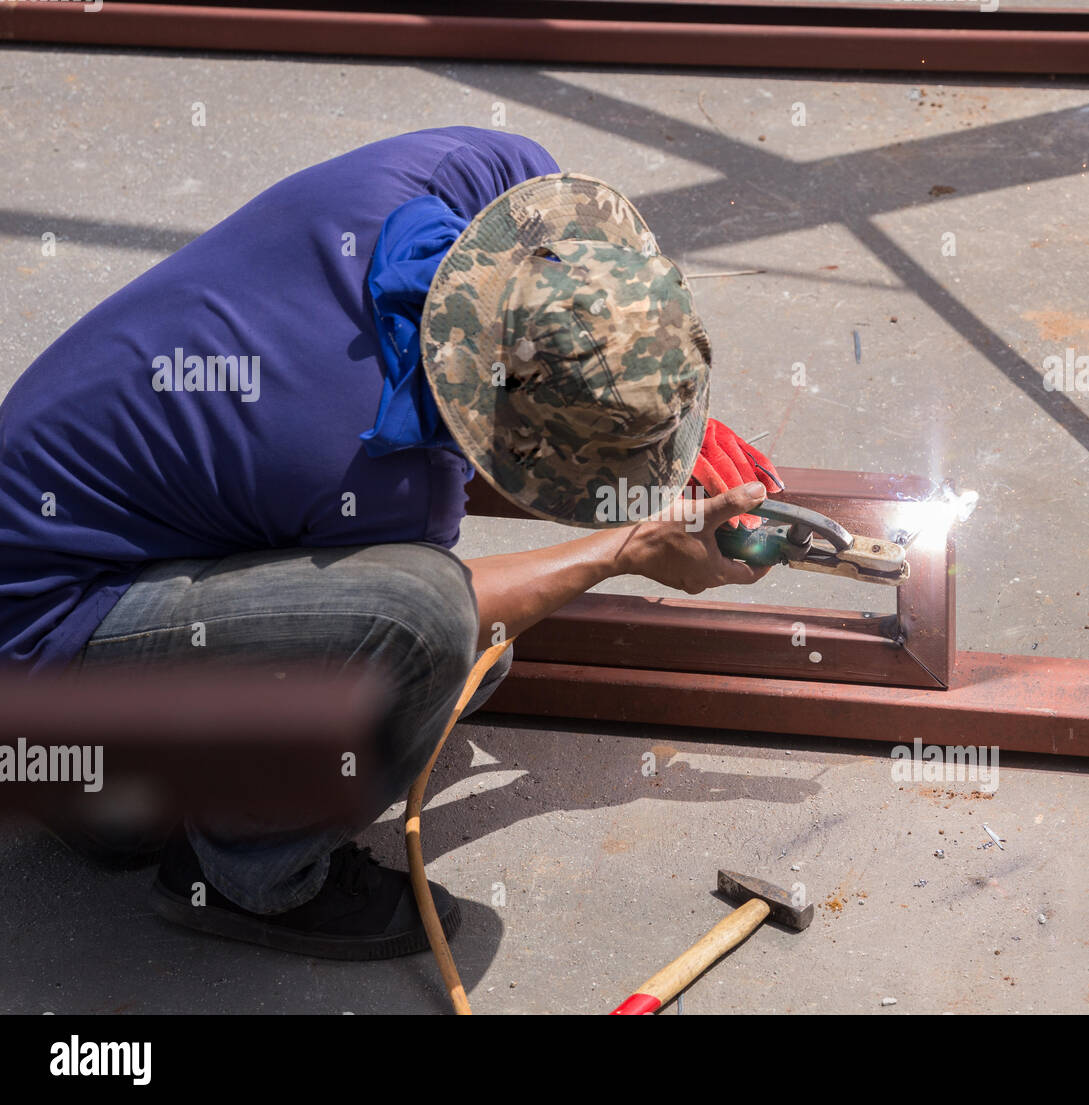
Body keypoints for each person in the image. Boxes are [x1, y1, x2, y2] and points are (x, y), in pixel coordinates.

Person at [0, 127, 783, 960]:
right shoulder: (371, 472)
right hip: (38, 665)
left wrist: (647, 410)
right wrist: (628, 548)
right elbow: (441, 610)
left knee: (474, 650)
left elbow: (562, 319)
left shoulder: (464, 173)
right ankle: (247, 875)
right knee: (431, 629)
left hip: (76, 540)